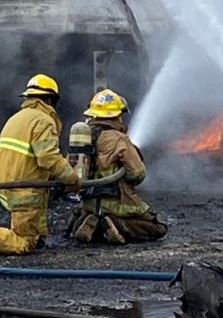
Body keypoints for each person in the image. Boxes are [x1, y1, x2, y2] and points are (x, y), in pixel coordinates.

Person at [0, 74, 80, 255]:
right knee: (22, 242)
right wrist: (72, 178)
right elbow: (48, 157)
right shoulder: (43, 121)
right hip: (22, 186)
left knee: (38, 199)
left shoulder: (17, 118)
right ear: (50, 100)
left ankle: (38, 237)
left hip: (5, 181)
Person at [69, 89, 167, 244]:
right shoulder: (119, 139)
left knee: (90, 214)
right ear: (117, 116)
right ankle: (115, 224)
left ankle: (89, 222)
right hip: (117, 201)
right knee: (158, 228)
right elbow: (137, 174)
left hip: (88, 203)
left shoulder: (84, 137)